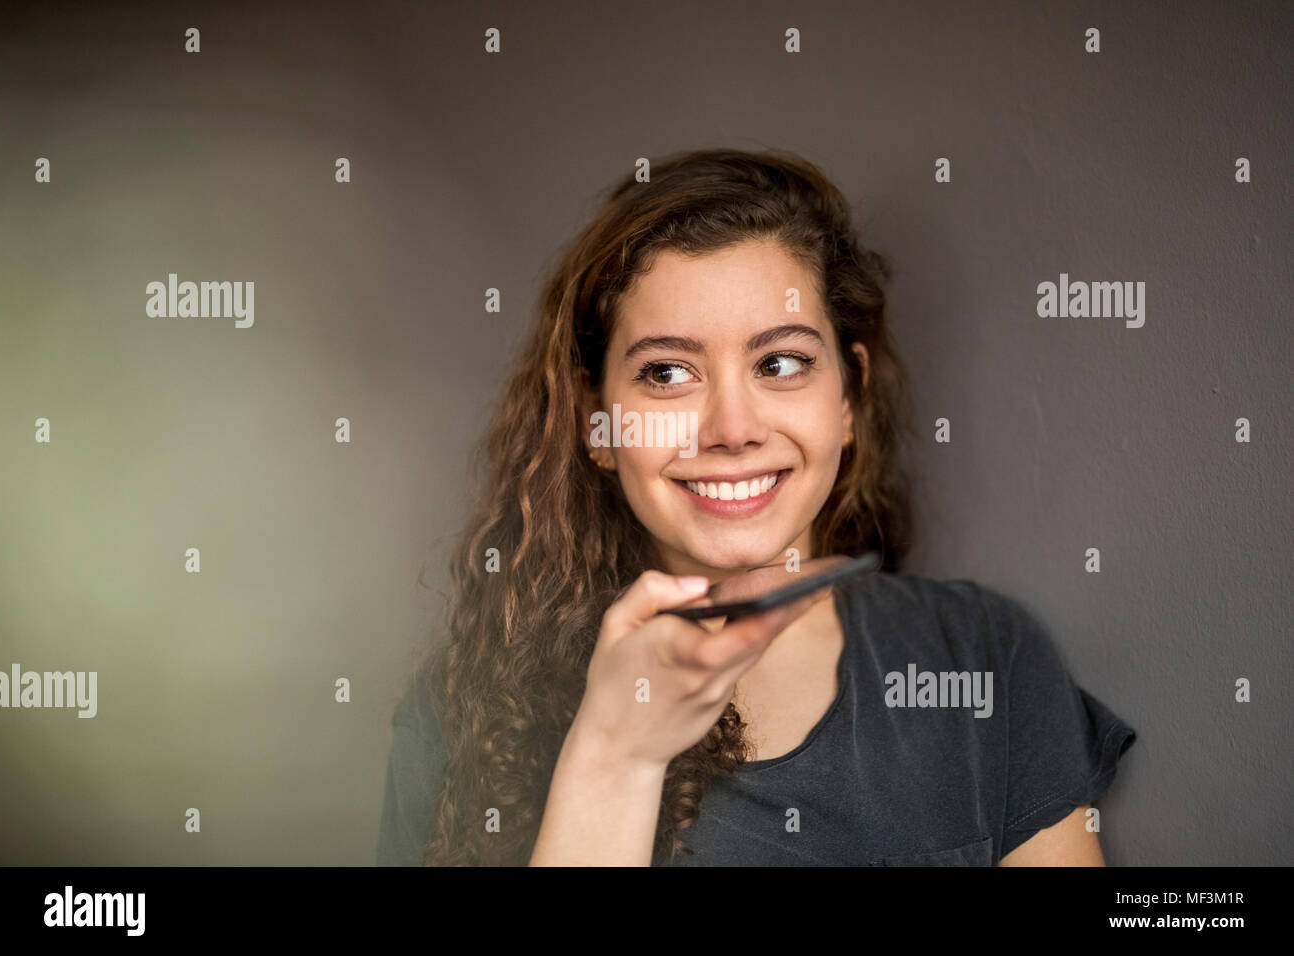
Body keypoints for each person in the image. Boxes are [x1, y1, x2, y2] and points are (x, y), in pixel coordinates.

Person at [376, 147, 1136, 866]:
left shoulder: (983, 658)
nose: (732, 430)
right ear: (595, 424)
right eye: (668, 373)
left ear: (847, 396)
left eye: (781, 363)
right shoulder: (461, 719)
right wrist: (613, 755)